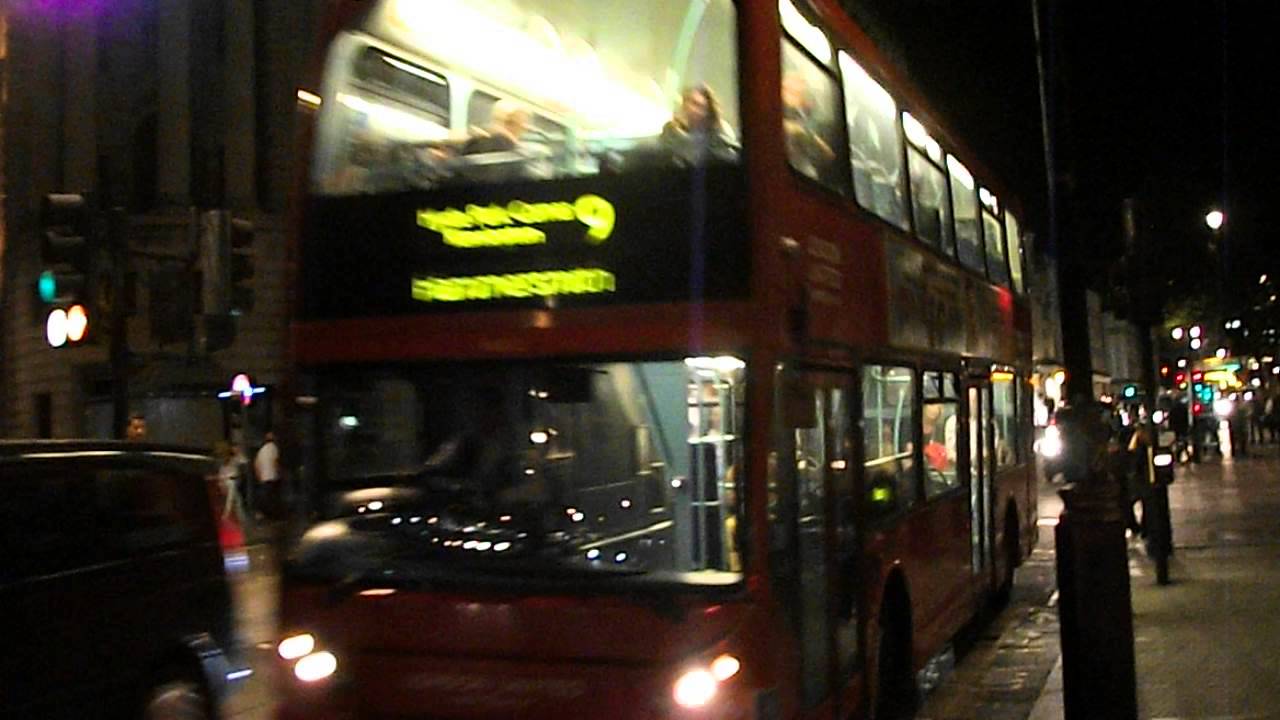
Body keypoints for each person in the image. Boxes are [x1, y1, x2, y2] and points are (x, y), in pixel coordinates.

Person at [659, 84, 739, 166]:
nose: (690, 109)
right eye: (687, 102)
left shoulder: (721, 144)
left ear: (708, 113)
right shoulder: (666, 139)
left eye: (698, 105)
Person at [780, 71, 835, 181]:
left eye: (797, 92)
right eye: (788, 90)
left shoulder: (807, 116)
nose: (794, 94)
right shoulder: (774, 108)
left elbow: (828, 154)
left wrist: (806, 134)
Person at [216, 441, 248, 525]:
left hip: (229, 480)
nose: (236, 449)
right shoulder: (232, 459)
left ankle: (242, 519)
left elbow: (245, 461)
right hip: (230, 481)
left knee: (238, 500)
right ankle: (225, 517)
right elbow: (244, 461)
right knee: (230, 500)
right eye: (235, 447)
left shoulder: (232, 458)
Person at [254, 431, 281, 520]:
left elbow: (256, 464)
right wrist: (278, 472)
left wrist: (258, 475)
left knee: (264, 496)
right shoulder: (274, 448)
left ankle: (261, 513)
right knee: (272, 497)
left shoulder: (261, 450)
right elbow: (275, 462)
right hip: (272, 475)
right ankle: (272, 515)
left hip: (263, 477)